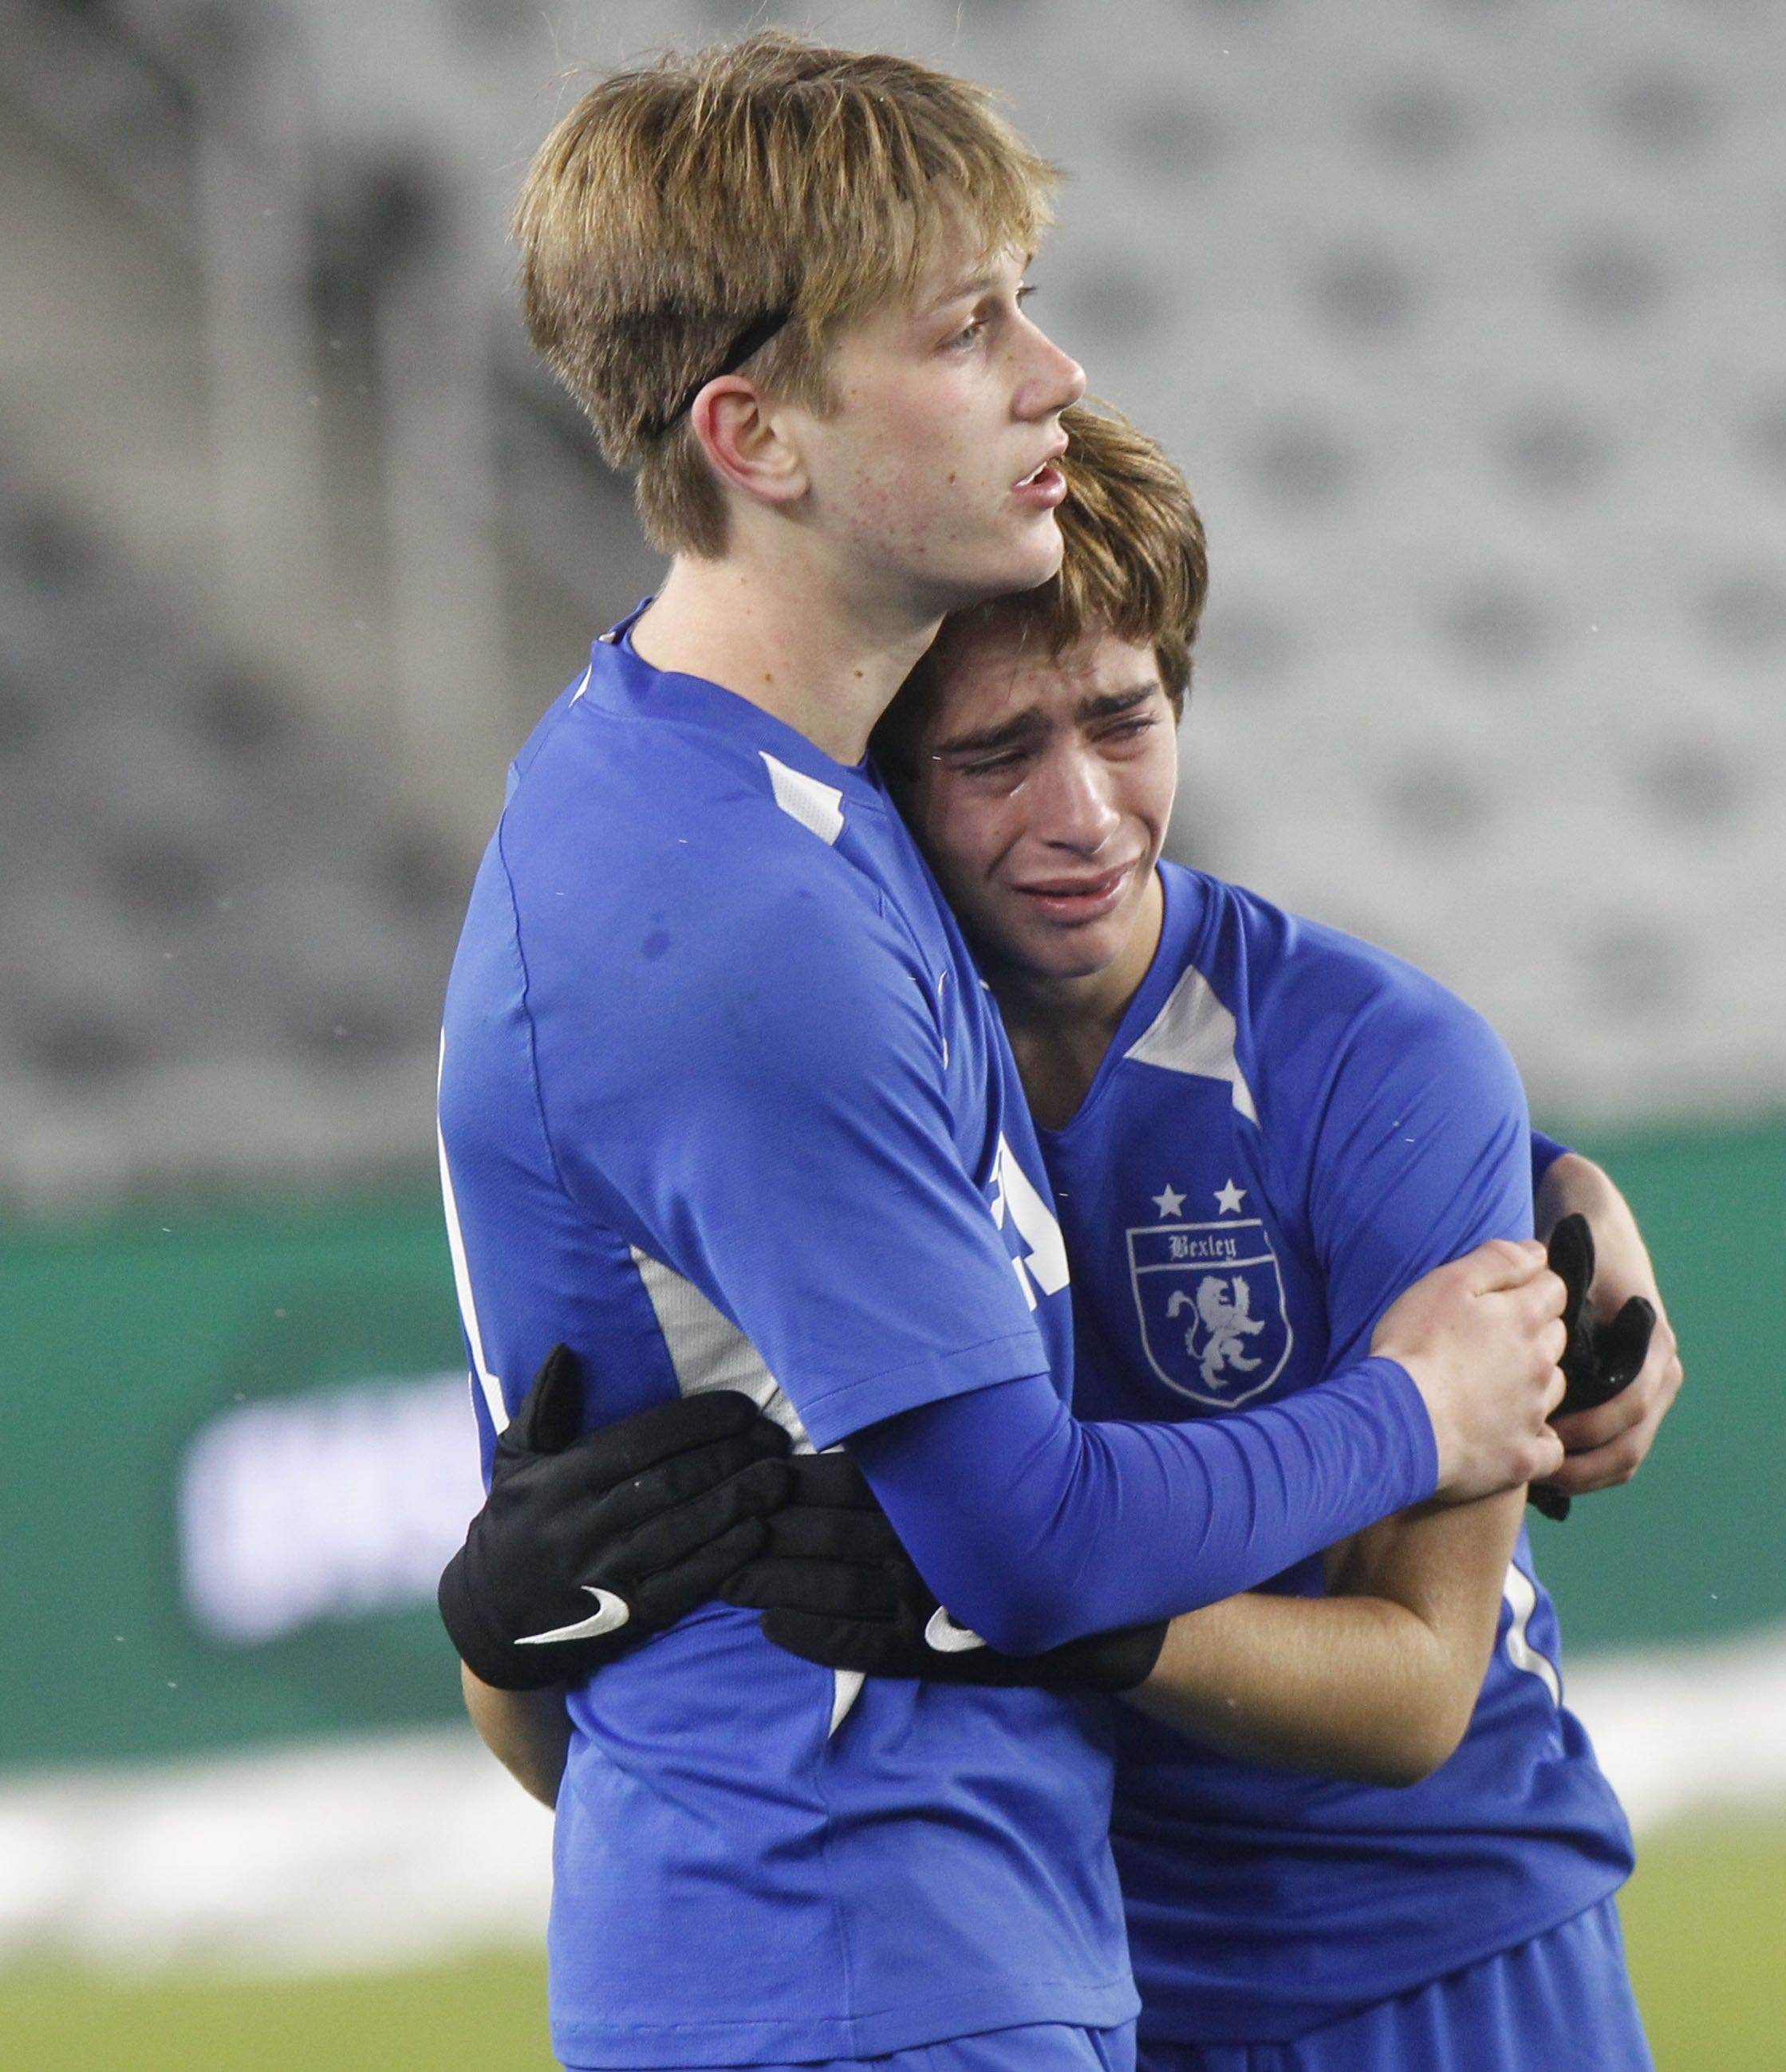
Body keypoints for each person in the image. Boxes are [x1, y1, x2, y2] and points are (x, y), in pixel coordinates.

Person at [436, 37, 1569, 2072]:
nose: (1052, 373)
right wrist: (1420, 1411)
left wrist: (1557, 1194)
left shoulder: (762, 815)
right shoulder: (747, 919)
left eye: (1125, 720)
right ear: (754, 434)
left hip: (978, 1950)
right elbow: (1015, 1541)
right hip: (869, 1977)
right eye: (966, 330)